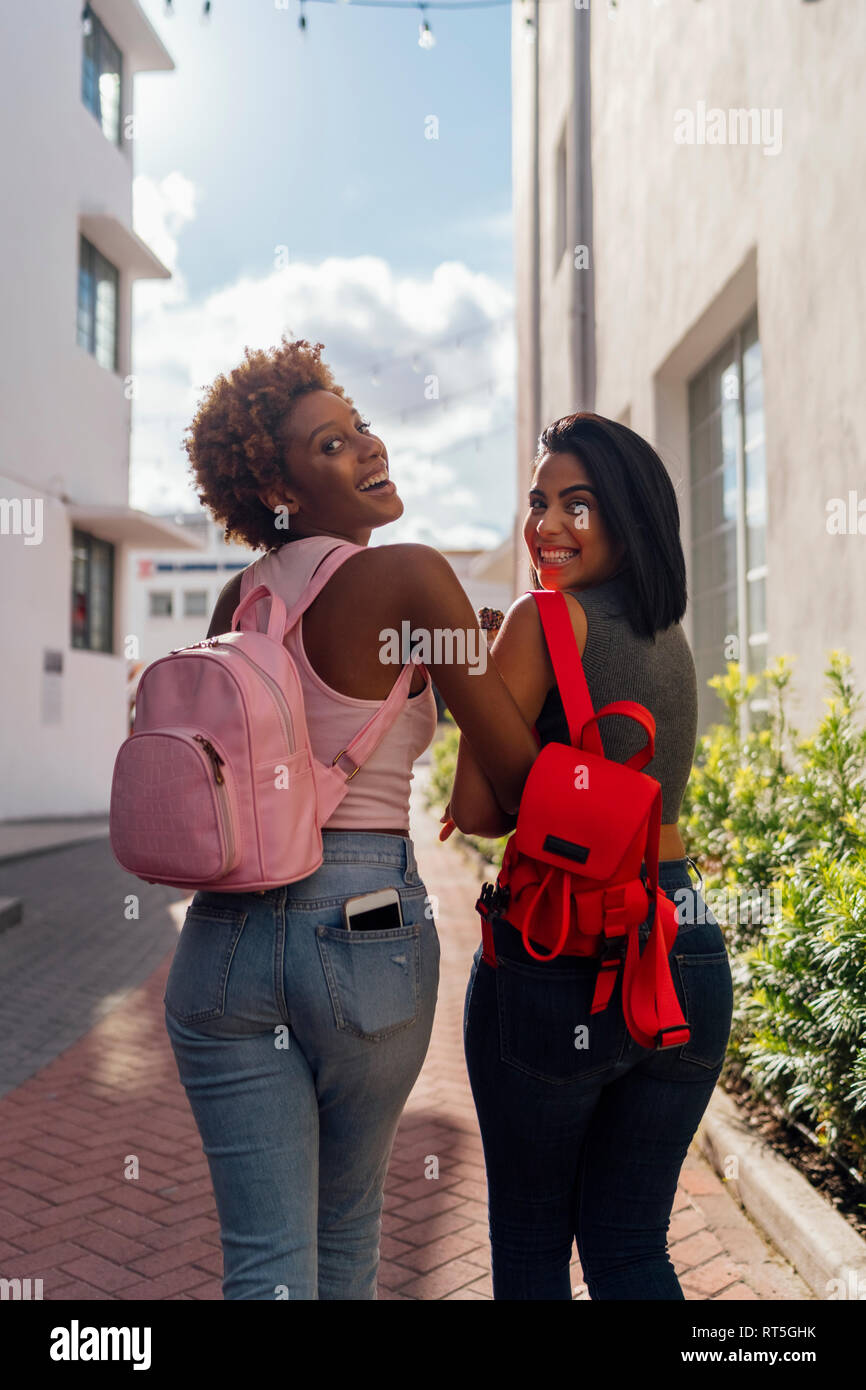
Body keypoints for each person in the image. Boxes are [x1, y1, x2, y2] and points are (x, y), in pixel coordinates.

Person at [162, 336, 538, 1300]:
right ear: (279, 492)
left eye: (360, 427)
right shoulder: (412, 578)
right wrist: (498, 670)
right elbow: (514, 783)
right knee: (344, 1240)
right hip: (363, 926)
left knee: (262, 1263)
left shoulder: (234, 600)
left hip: (224, 944)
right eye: (331, 446)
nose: (369, 448)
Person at [450, 411, 735, 1300]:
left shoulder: (542, 622)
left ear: (631, 515)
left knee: (534, 1246)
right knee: (630, 1249)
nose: (547, 526)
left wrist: (488, 677)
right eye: (538, 503)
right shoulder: (669, 640)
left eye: (579, 503)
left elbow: (475, 812)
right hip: (683, 942)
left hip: (562, 953)